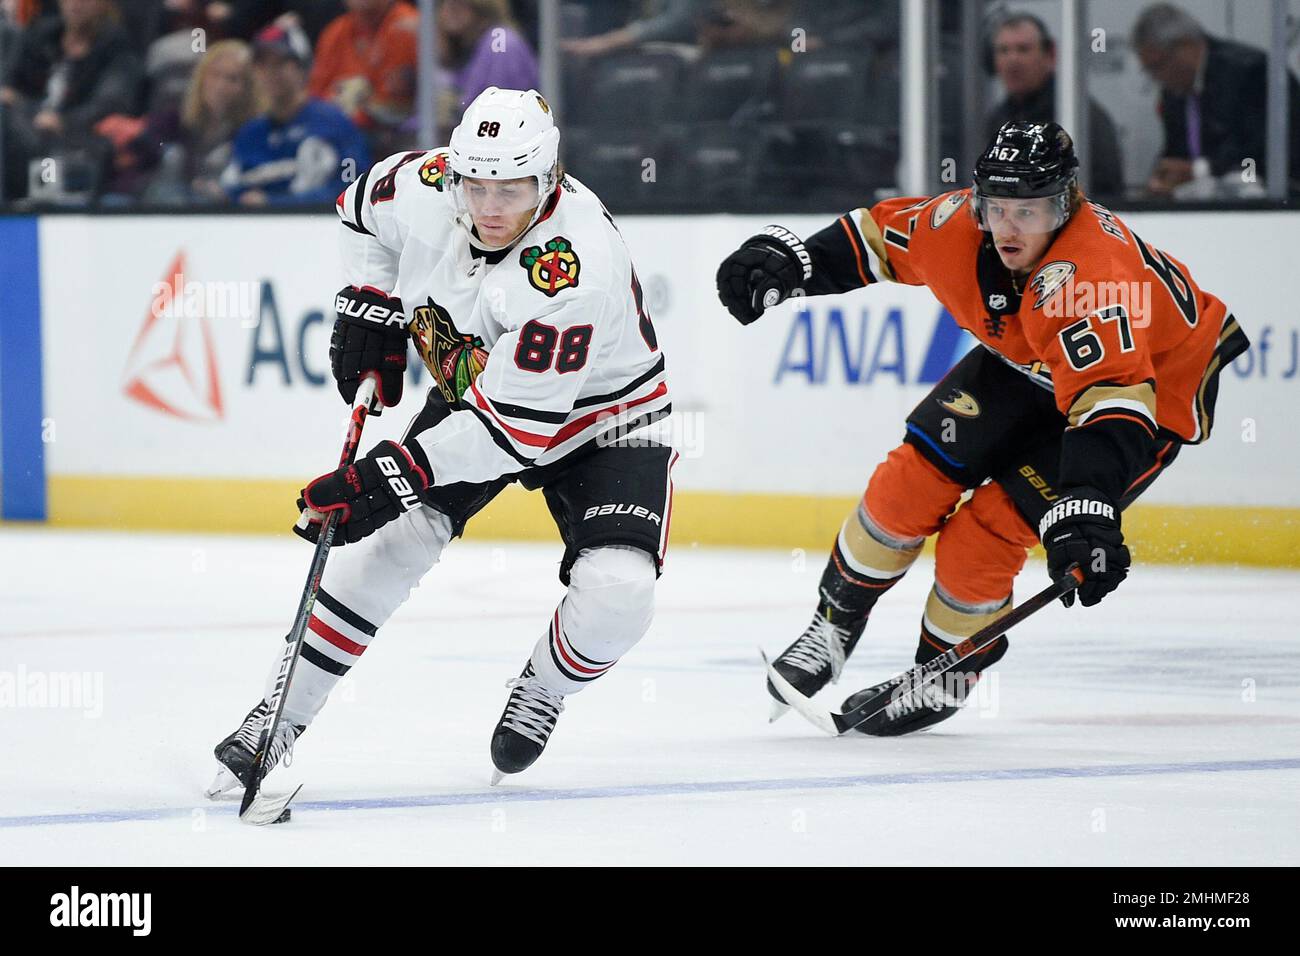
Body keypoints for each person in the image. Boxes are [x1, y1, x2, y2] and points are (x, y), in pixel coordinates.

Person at [208, 87, 675, 790]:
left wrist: (384, 475)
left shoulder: (574, 269)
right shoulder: (425, 184)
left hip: (607, 418)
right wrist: (372, 301)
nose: (489, 207)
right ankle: (277, 717)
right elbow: (358, 211)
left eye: (512, 189)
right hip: (481, 394)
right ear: (453, 171)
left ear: (548, 182)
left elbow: (512, 435)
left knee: (619, 591)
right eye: (476, 184)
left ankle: (545, 686)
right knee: (388, 548)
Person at [716, 121, 1248, 736]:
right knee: (906, 486)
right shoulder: (954, 228)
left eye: (1031, 210)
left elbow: (1110, 405)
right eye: (997, 208)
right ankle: (835, 622)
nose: (1008, 229)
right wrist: (792, 263)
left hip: (1150, 387)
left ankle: (942, 672)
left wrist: (1086, 507)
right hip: (1028, 360)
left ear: (1067, 202)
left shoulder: (1091, 277)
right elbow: (873, 241)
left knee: (986, 534)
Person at [1134, 2, 1300, 197]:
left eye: (1157, 66)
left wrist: (1198, 170)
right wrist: (1162, 177)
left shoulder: (1252, 73)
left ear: (1186, 46)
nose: (1155, 77)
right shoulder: (1174, 92)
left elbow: (1263, 154)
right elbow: (1175, 151)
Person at [1, 0, 142, 200]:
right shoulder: (42, 35)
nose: (76, 3)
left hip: (78, 144)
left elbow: (111, 102)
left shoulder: (118, 46)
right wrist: (31, 111)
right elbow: (9, 87)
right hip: (26, 133)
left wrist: (63, 120)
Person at [221, 22, 368, 206]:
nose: (269, 72)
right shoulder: (250, 133)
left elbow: (353, 189)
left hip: (318, 228)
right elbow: (234, 188)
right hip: (256, 229)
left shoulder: (334, 123)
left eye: (280, 63)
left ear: (302, 67)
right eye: (261, 64)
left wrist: (275, 202)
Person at [985, 12, 1123, 197]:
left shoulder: (1079, 117)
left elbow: (1104, 191)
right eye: (1004, 50)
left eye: (1023, 49)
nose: (1013, 60)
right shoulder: (997, 120)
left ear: (1050, 54)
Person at [308, 0, 418, 133]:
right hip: (343, 134)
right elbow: (315, 97)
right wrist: (336, 99)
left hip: (401, 136)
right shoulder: (335, 32)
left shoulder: (411, 26)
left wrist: (367, 102)